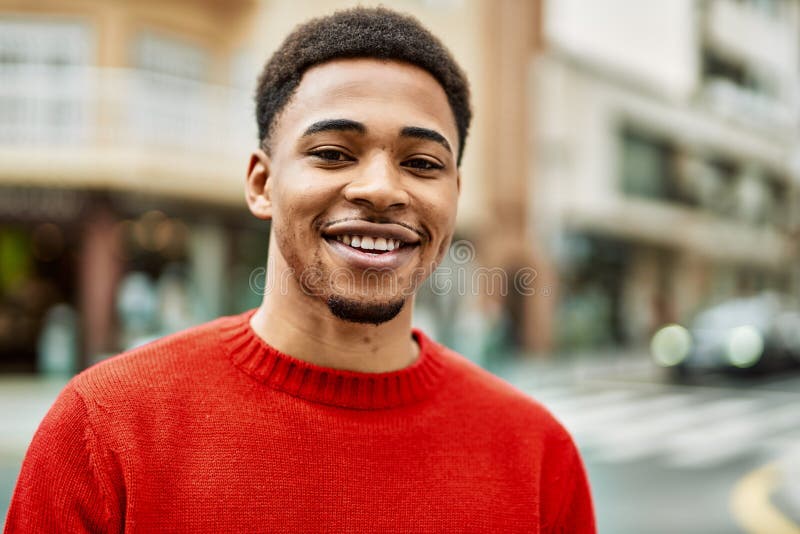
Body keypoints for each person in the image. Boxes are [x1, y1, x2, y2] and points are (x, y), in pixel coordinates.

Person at [5, 7, 595, 533]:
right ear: (262, 184)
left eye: (421, 163)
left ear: (454, 195)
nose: (381, 190)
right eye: (333, 153)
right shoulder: (104, 428)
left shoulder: (538, 454)